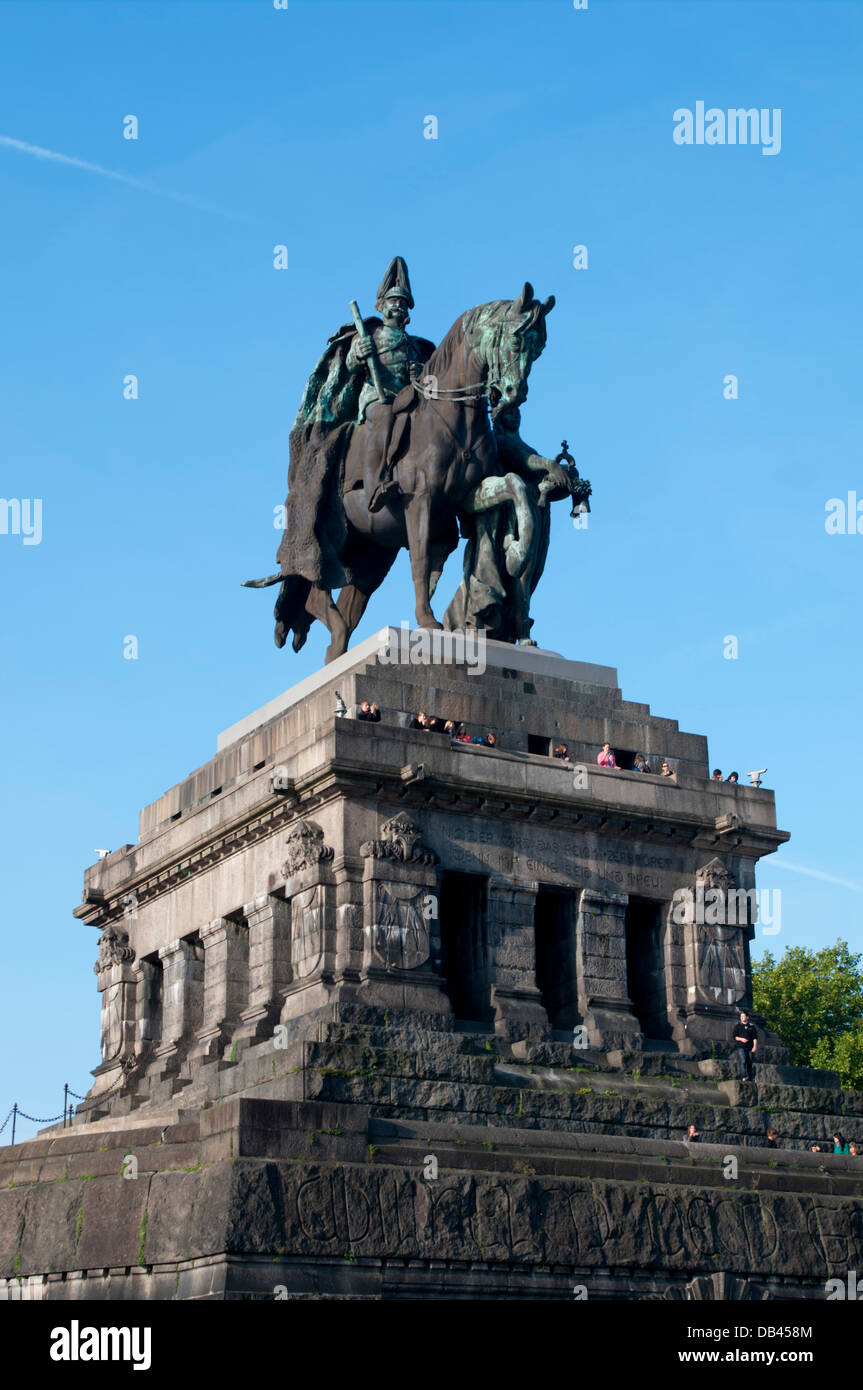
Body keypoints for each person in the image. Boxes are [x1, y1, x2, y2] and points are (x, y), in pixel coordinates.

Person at [733, 1010, 758, 1081]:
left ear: (747, 1017)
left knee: (749, 1062)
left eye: (743, 1016)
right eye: (741, 1016)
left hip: (750, 1047)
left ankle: (750, 1077)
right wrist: (741, 1039)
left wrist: (755, 1046)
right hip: (741, 1046)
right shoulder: (738, 1026)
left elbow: (755, 1038)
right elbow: (735, 1036)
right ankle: (743, 1076)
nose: (742, 1017)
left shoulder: (752, 1027)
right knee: (743, 1061)